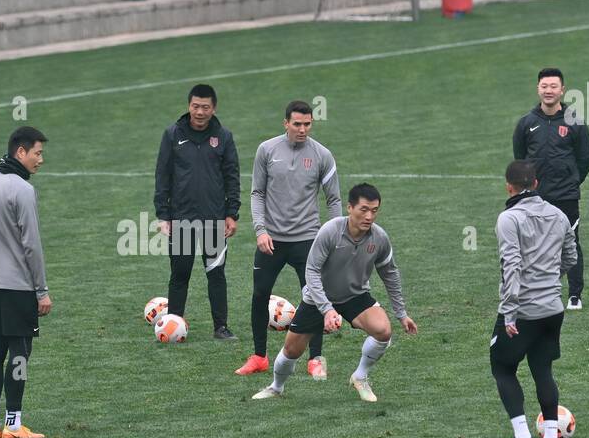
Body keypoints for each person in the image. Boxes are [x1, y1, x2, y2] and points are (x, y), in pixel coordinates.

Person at [253, 183, 417, 403]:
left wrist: (402, 314)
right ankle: (276, 387)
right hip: (318, 298)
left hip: (355, 295)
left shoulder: (379, 238)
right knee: (292, 350)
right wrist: (326, 309)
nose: (369, 216)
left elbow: (390, 274)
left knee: (383, 330)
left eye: (374, 210)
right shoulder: (330, 231)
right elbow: (311, 271)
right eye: (364, 209)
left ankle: (360, 376)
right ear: (350, 208)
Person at [237, 100, 341, 379]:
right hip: (271, 240)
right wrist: (260, 230)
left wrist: (333, 237)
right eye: (297, 124)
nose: (303, 129)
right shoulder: (267, 150)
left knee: (316, 298)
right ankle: (259, 357)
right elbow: (257, 193)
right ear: (286, 124)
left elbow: (334, 200)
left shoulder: (322, 155)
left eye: (307, 124)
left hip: (308, 240)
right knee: (259, 295)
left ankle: (315, 359)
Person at [491, 161, 578, 438]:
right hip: (553, 309)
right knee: (542, 368)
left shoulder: (508, 219)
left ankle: (521, 436)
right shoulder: (559, 215)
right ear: (537, 184)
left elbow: (511, 265)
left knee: (502, 366)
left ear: (508, 186)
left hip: (523, 309)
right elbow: (571, 257)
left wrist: (510, 311)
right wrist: (550, 280)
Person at [0, 127, 51, 438]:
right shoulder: (21, 189)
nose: (40, 160)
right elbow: (31, 245)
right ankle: (15, 425)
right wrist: (42, 291)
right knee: (20, 352)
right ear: (21, 152)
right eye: (37, 153)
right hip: (17, 284)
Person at [153, 84, 241, 340]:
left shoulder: (223, 137)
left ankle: (221, 327)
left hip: (215, 219)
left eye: (205, 107)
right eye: (195, 106)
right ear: (189, 105)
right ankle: (174, 325)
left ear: (213, 108)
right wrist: (163, 214)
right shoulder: (172, 135)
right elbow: (163, 176)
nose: (199, 112)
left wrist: (231, 213)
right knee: (180, 274)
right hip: (181, 219)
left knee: (216, 273)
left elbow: (232, 177)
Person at [513, 67, 589, 309]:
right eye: (544, 86)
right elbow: (520, 158)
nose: (549, 91)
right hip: (535, 196)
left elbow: (585, 157)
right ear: (538, 89)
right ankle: (536, 292)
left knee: (570, 243)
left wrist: (571, 180)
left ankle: (575, 295)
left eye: (553, 86)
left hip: (566, 195)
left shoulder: (575, 122)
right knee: (533, 245)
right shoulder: (527, 123)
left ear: (562, 90)